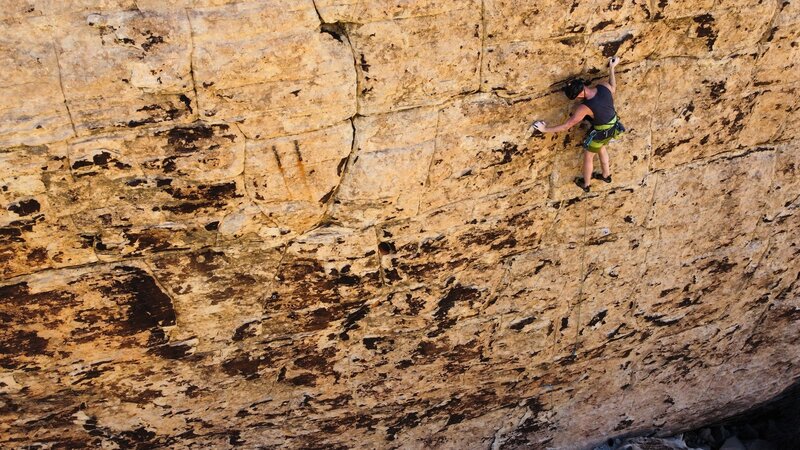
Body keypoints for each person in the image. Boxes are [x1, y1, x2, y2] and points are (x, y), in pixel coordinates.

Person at [532, 56, 624, 193]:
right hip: (613, 127)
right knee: (602, 148)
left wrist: (545, 129)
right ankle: (606, 175)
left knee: (589, 156)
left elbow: (567, 126)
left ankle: (586, 184)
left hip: (600, 133)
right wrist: (612, 68)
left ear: (579, 95)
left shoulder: (585, 108)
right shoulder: (603, 87)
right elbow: (613, 87)